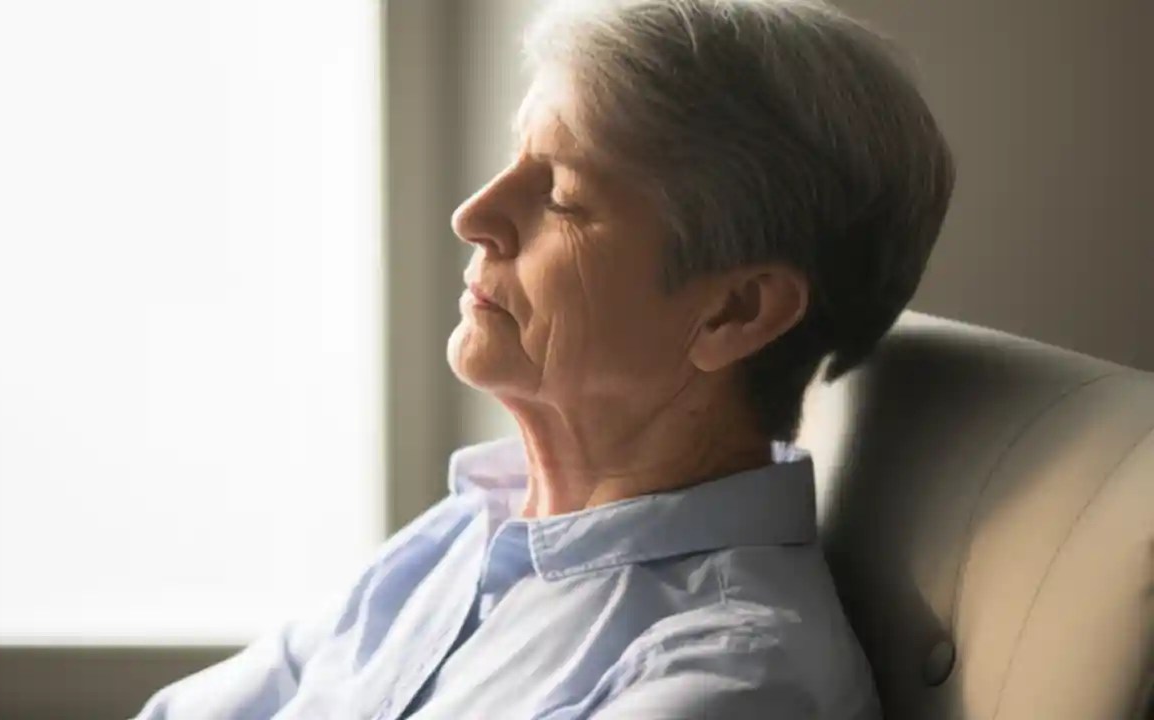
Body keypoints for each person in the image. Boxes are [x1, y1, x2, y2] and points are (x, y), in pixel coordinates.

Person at [136, 0, 953, 717]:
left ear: (734, 312)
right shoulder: (469, 533)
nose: (473, 215)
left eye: (560, 194)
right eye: (514, 159)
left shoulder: (731, 676)